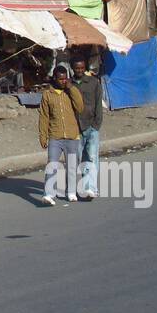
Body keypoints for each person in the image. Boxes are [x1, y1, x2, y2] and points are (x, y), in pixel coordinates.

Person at [39, 65, 84, 205]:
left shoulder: (71, 91)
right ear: (55, 78)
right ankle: (48, 194)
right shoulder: (48, 94)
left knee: (71, 165)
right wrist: (43, 135)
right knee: (52, 164)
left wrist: (71, 88)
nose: (63, 81)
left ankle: (71, 191)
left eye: (65, 79)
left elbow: (80, 107)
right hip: (55, 135)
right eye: (60, 79)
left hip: (72, 135)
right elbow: (44, 116)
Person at [71, 58, 104, 199]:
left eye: (81, 68)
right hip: (76, 127)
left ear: (84, 68)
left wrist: (96, 124)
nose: (79, 70)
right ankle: (86, 186)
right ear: (72, 68)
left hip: (91, 126)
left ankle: (91, 188)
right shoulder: (69, 85)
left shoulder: (93, 83)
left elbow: (98, 104)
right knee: (81, 158)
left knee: (92, 157)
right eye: (76, 68)